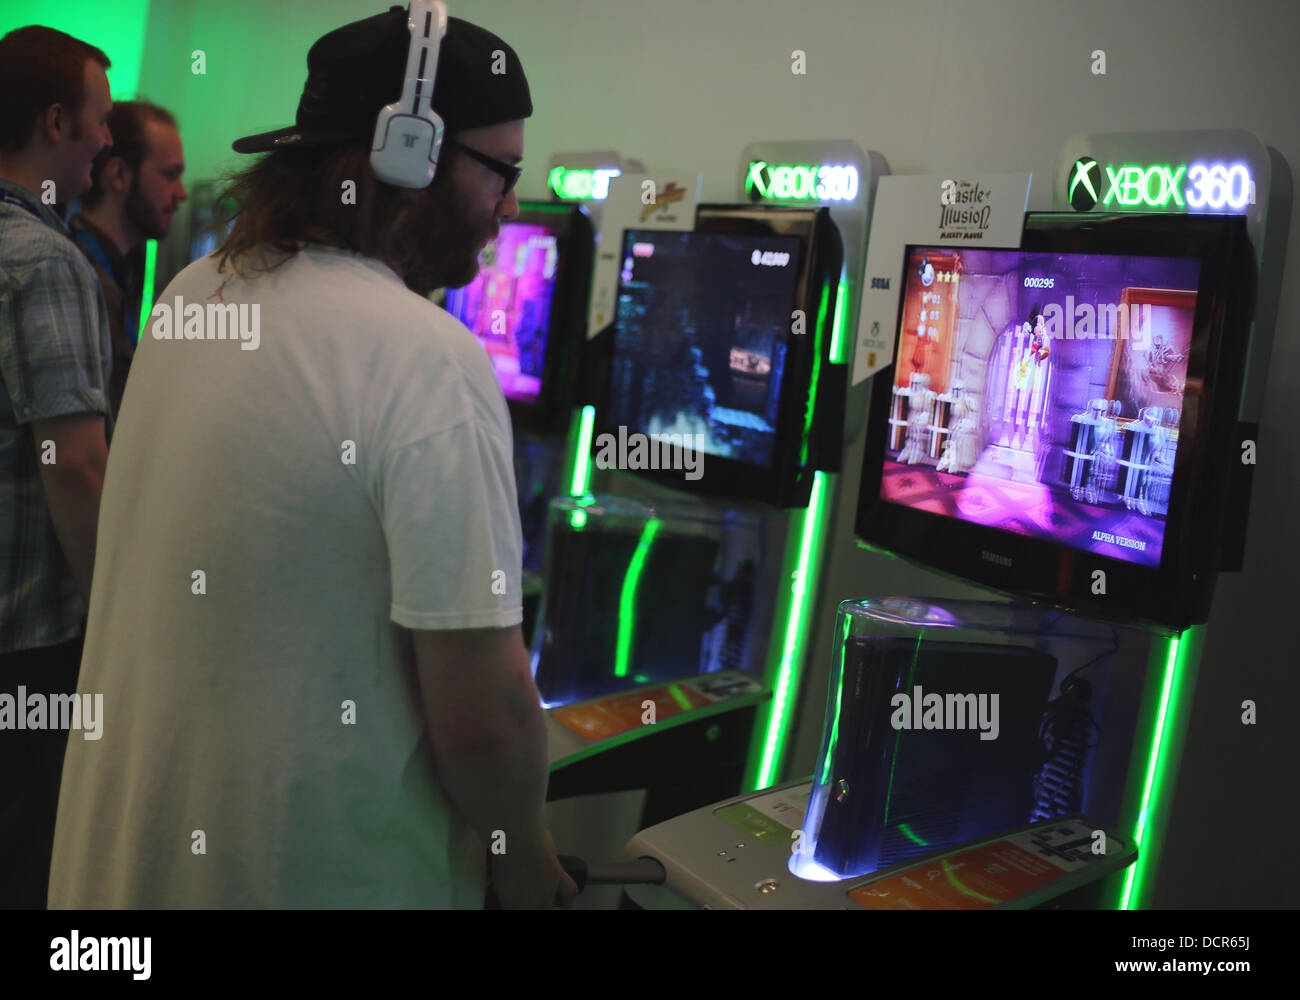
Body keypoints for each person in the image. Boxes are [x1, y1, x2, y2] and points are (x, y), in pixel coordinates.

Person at [47, 7, 576, 909]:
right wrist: (528, 859)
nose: (512, 205)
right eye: (503, 172)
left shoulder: (189, 297)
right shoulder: (428, 360)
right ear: (410, 153)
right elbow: (484, 722)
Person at [0, 24, 114, 910]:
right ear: (53, 123)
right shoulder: (47, 263)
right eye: (98, 121)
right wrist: (122, 619)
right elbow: (73, 463)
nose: (107, 142)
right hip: (30, 651)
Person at [68, 100, 187, 417]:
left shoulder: (119, 274)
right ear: (118, 174)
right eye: (170, 175)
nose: (182, 193)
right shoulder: (78, 278)